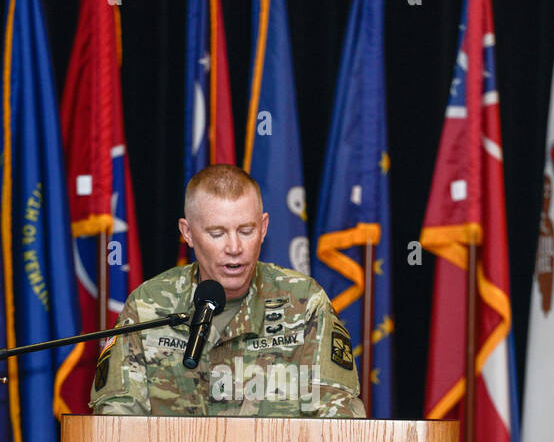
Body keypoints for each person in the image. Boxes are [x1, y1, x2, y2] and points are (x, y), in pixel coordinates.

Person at [89, 164, 365, 417]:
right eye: (217, 233)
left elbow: (338, 422)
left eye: (246, 231)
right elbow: (115, 424)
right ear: (187, 233)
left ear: (264, 228)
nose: (234, 247)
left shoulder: (304, 303)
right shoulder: (149, 305)